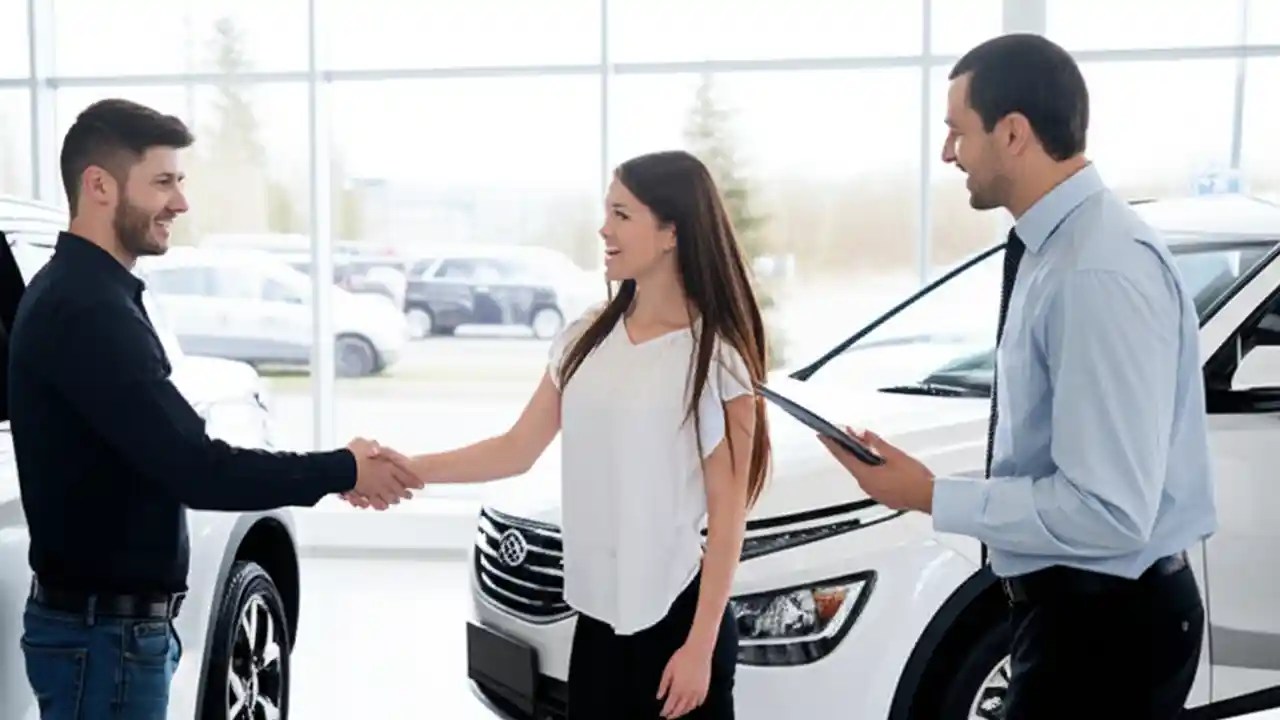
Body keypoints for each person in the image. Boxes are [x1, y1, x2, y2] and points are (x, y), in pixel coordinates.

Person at [817, 34, 1214, 719]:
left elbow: (1109, 513)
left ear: (1012, 133)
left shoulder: (1097, 269)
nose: (948, 154)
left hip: (1107, 635)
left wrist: (932, 496)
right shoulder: (1057, 250)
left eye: (956, 132)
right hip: (1079, 620)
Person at [5, 98, 419, 719]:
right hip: (105, 643)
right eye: (164, 181)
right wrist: (345, 470)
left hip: (103, 638)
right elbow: (197, 469)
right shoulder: (87, 310)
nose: (181, 203)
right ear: (99, 186)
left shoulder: (85, 294)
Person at [349, 150, 770, 719]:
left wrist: (698, 649)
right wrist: (406, 468)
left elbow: (728, 517)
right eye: (605, 213)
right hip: (596, 622)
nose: (604, 228)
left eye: (622, 214)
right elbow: (516, 449)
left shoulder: (716, 357)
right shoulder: (584, 338)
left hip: (679, 622)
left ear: (671, 232)